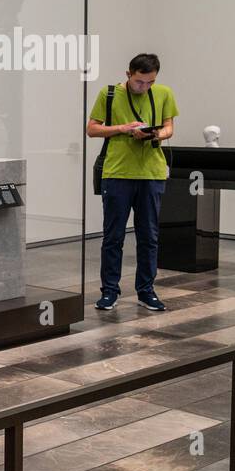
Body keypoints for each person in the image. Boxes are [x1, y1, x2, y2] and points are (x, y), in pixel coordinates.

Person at [87, 53, 178, 311]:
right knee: (113, 236)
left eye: (150, 82)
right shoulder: (109, 94)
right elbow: (92, 129)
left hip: (152, 173)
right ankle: (110, 291)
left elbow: (170, 128)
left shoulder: (163, 93)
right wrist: (123, 128)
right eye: (140, 82)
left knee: (149, 235)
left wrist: (154, 133)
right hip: (117, 173)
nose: (145, 87)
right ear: (128, 74)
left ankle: (146, 290)